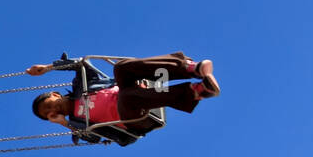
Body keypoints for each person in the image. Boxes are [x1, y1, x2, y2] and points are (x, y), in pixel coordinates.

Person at [27, 52, 220, 145]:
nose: (52, 112)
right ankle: (195, 92)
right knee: (127, 98)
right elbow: (93, 137)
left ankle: (189, 69)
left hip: (132, 90)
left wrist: (48, 67)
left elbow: (80, 65)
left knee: (121, 68)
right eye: (48, 115)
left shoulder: (83, 86)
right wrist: (64, 124)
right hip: (131, 119)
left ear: (55, 95)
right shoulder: (77, 123)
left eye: (48, 107)